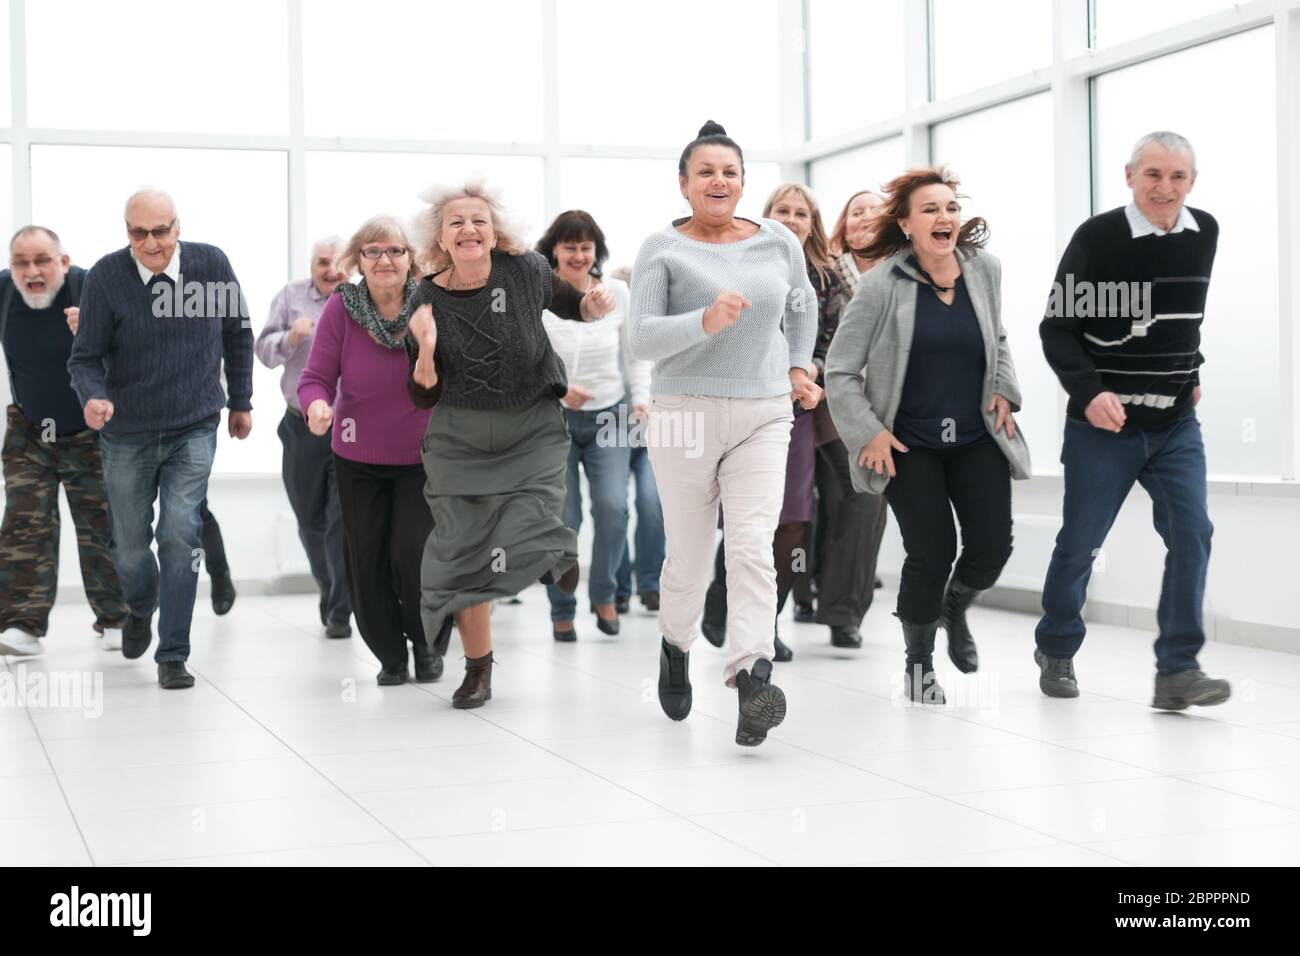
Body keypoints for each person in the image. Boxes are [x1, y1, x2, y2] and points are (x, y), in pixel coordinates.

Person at [630, 121, 820, 747]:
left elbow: (802, 306)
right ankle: (675, 647)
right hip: (683, 411)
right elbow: (643, 338)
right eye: (706, 171)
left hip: (764, 412)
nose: (719, 180)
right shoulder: (662, 248)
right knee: (687, 559)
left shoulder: (777, 242)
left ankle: (751, 676)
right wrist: (704, 321)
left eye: (731, 171)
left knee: (749, 547)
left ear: (743, 183)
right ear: (683, 183)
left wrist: (798, 366)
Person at [1035, 131, 1229, 710]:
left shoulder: (1205, 233)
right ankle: (1057, 646)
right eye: (1153, 175)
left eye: (1177, 177)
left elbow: (1184, 318)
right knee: (1081, 544)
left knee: (1193, 535)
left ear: (1192, 181)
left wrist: (1190, 370)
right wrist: (1091, 393)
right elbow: (1058, 328)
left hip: (1174, 426)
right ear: (1129, 176)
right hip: (1103, 427)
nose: (1164, 188)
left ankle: (1177, 670)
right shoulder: (1098, 238)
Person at [825, 165, 1030, 704]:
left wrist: (1005, 389)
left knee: (991, 547)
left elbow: (999, 337)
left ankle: (954, 607)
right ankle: (919, 665)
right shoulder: (879, 285)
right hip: (907, 444)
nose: (945, 217)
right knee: (932, 552)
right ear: (908, 224)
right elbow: (840, 371)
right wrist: (866, 432)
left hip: (975, 436)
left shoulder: (984, 269)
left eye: (951, 208)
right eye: (931, 210)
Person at [405, 181, 614, 709]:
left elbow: (574, 306)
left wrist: (592, 303)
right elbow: (421, 392)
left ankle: (549, 547)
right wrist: (426, 351)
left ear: (494, 229)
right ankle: (478, 670)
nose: (469, 229)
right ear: (441, 239)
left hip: (532, 423)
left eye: (479, 219)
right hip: (462, 432)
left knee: (530, 509)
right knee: (463, 553)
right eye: (457, 222)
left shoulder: (524, 271)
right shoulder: (425, 296)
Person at [67, 188, 254, 689]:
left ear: (178, 226)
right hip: (127, 431)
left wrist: (241, 400)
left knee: (179, 534)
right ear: (126, 232)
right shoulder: (107, 276)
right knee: (129, 547)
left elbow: (237, 331)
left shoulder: (210, 264)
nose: (151, 242)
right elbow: (84, 357)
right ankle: (139, 608)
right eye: (138, 233)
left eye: (160, 230)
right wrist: (94, 396)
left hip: (194, 423)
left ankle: (173, 653)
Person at [700, 182, 862, 659]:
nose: (792, 219)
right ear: (766, 215)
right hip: (745, 404)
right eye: (782, 210)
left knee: (793, 522)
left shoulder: (827, 277)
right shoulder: (740, 264)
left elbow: (836, 341)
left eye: (801, 213)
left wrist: (808, 369)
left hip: (797, 408)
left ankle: (766, 624)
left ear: (812, 224)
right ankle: (721, 594)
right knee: (750, 521)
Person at [298, 216, 436, 685]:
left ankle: (427, 643)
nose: (385, 260)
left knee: (412, 554)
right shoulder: (342, 308)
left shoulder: (429, 305)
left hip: (421, 458)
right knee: (365, 561)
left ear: (410, 258)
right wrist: (317, 405)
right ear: (358, 260)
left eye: (395, 251)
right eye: (373, 251)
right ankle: (390, 656)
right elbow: (315, 377)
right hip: (357, 458)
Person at [0, 226, 128, 656]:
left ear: (63, 262)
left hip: (90, 431)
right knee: (24, 522)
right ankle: (22, 624)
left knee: (101, 524)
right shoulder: (3, 293)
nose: (32, 271)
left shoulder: (91, 287)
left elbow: (138, 346)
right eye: (22, 262)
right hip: (29, 430)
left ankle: (117, 616)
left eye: (42, 260)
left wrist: (99, 331)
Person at [536, 211, 650, 641]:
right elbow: (529, 359)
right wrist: (558, 390)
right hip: (555, 418)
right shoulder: (540, 295)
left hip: (613, 415)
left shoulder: (616, 293)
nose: (579, 255)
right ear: (554, 251)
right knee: (563, 519)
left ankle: (604, 592)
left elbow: (636, 355)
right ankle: (561, 608)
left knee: (613, 508)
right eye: (570, 247)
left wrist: (641, 399)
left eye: (586, 247)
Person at [257, 236, 352, 638]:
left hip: (349, 428)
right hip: (300, 426)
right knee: (310, 520)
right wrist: (291, 338)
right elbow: (263, 352)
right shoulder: (290, 297)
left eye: (337, 262)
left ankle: (340, 609)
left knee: (340, 521)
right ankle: (329, 589)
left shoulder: (361, 302)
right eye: (321, 262)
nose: (330, 269)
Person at [609, 265, 665, 616]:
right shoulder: (606, 325)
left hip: (656, 431)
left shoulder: (664, 326)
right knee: (615, 507)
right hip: (612, 427)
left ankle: (650, 583)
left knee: (650, 503)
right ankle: (619, 586)